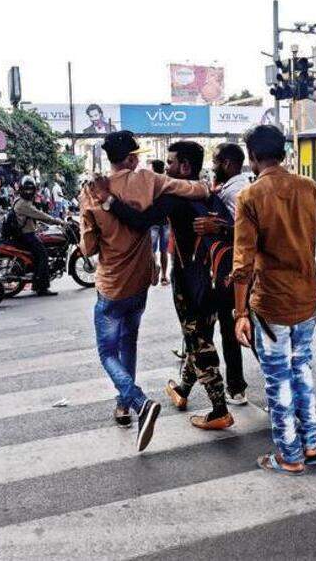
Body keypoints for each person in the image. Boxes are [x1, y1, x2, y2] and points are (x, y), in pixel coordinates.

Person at [78, 130, 209, 451]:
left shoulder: (91, 194)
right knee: (128, 343)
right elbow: (197, 188)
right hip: (139, 283)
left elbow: (89, 248)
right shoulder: (149, 180)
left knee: (107, 352)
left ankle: (137, 401)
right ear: (133, 158)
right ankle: (123, 406)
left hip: (110, 284)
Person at [91, 141, 235, 430]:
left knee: (198, 340)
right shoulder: (211, 194)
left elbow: (142, 221)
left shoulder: (174, 197)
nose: (165, 168)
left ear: (184, 166)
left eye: (169, 163)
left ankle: (220, 409)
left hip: (191, 282)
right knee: (197, 334)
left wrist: (109, 200)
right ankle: (183, 389)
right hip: (217, 280)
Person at [230, 125, 316, 475]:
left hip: (271, 305)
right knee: (302, 371)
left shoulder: (250, 196)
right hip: (307, 299)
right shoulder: (310, 188)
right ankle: (310, 445)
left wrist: (239, 313)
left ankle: (289, 455)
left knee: (278, 380)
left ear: (252, 156)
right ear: (283, 152)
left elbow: (242, 265)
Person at [193, 142, 250, 403]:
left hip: (238, 273)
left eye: (215, 161)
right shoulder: (229, 188)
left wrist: (221, 229)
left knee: (239, 327)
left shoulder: (235, 191)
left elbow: (252, 233)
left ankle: (238, 387)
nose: (212, 166)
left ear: (226, 163)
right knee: (231, 327)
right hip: (232, 271)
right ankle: (235, 386)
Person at [13, 176, 63, 296]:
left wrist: (39, 225)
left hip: (26, 233)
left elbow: (32, 217)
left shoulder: (20, 200)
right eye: (26, 189)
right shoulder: (24, 204)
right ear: (21, 189)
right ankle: (42, 287)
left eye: (31, 190)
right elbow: (39, 214)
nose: (29, 192)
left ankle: (37, 282)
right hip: (27, 235)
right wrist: (57, 221)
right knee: (43, 256)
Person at [144, 159, 171, 286]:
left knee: (152, 250)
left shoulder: (150, 183)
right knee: (164, 251)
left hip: (153, 222)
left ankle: (154, 271)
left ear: (154, 169)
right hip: (165, 221)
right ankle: (164, 276)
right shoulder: (167, 182)